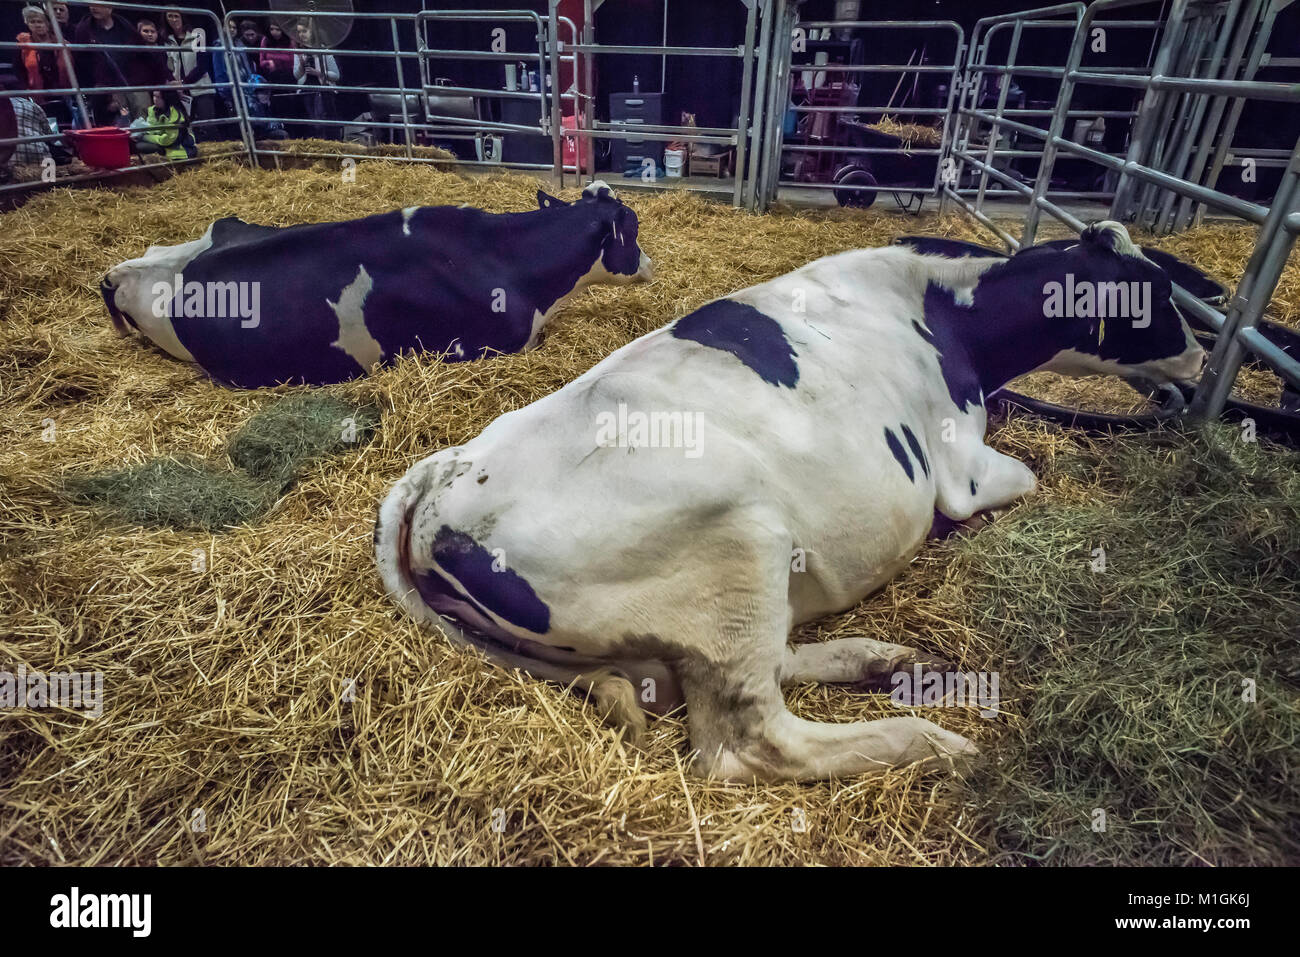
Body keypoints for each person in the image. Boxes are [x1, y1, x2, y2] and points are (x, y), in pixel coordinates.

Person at [73, 5, 138, 124]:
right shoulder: (84, 29)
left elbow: (140, 56)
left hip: (129, 84)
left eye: (98, 4)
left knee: (138, 124)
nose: (93, 7)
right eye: (91, 3)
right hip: (100, 91)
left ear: (110, 7)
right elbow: (81, 64)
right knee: (106, 127)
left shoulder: (125, 27)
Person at [163, 9, 218, 139]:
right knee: (186, 129)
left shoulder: (198, 34)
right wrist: (174, 83)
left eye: (176, 16)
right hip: (179, 91)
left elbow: (203, 64)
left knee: (208, 126)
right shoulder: (165, 40)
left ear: (183, 17)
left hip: (201, 87)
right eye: (170, 16)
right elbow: (165, 66)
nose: (174, 19)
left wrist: (184, 83)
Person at [16, 5, 73, 126]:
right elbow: (18, 70)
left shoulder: (62, 43)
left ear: (47, 23)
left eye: (40, 21)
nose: (37, 25)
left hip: (63, 93)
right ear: (28, 24)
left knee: (66, 126)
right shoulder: (23, 46)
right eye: (33, 22)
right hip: (36, 96)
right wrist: (25, 91)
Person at [293, 18, 338, 138]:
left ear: (312, 32)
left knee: (324, 123)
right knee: (309, 125)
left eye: (304, 31)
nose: (301, 35)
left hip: (323, 91)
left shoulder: (323, 49)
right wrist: (301, 64)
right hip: (305, 92)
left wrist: (318, 73)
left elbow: (336, 75)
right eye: (299, 32)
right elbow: (296, 76)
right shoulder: (299, 51)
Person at [123, 16, 168, 118]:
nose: (150, 34)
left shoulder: (161, 50)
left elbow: (165, 70)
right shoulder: (132, 49)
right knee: (143, 117)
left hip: (158, 89)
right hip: (139, 88)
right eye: (146, 31)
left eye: (153, 31)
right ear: (138, 33)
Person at [133, 87, 191, 160]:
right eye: (154, 96)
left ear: (167, 98)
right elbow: (151, 128)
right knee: (135, 144)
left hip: (175, 147)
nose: (155, 99)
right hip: (160, 141)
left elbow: (166, 140)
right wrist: (140, 134)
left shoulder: (174, 115)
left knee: (140, 146)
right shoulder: (153, 110)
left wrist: (145, 137)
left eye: (158, 97)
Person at [259, 20, 295, 87]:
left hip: (289, 76)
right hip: (272, 76)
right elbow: (261, 62)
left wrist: (274, 59)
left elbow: (292, 61)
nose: (274, 32)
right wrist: (269, 62)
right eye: (271, 29)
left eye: (278, 30)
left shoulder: (290, 41)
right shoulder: (265, 40)